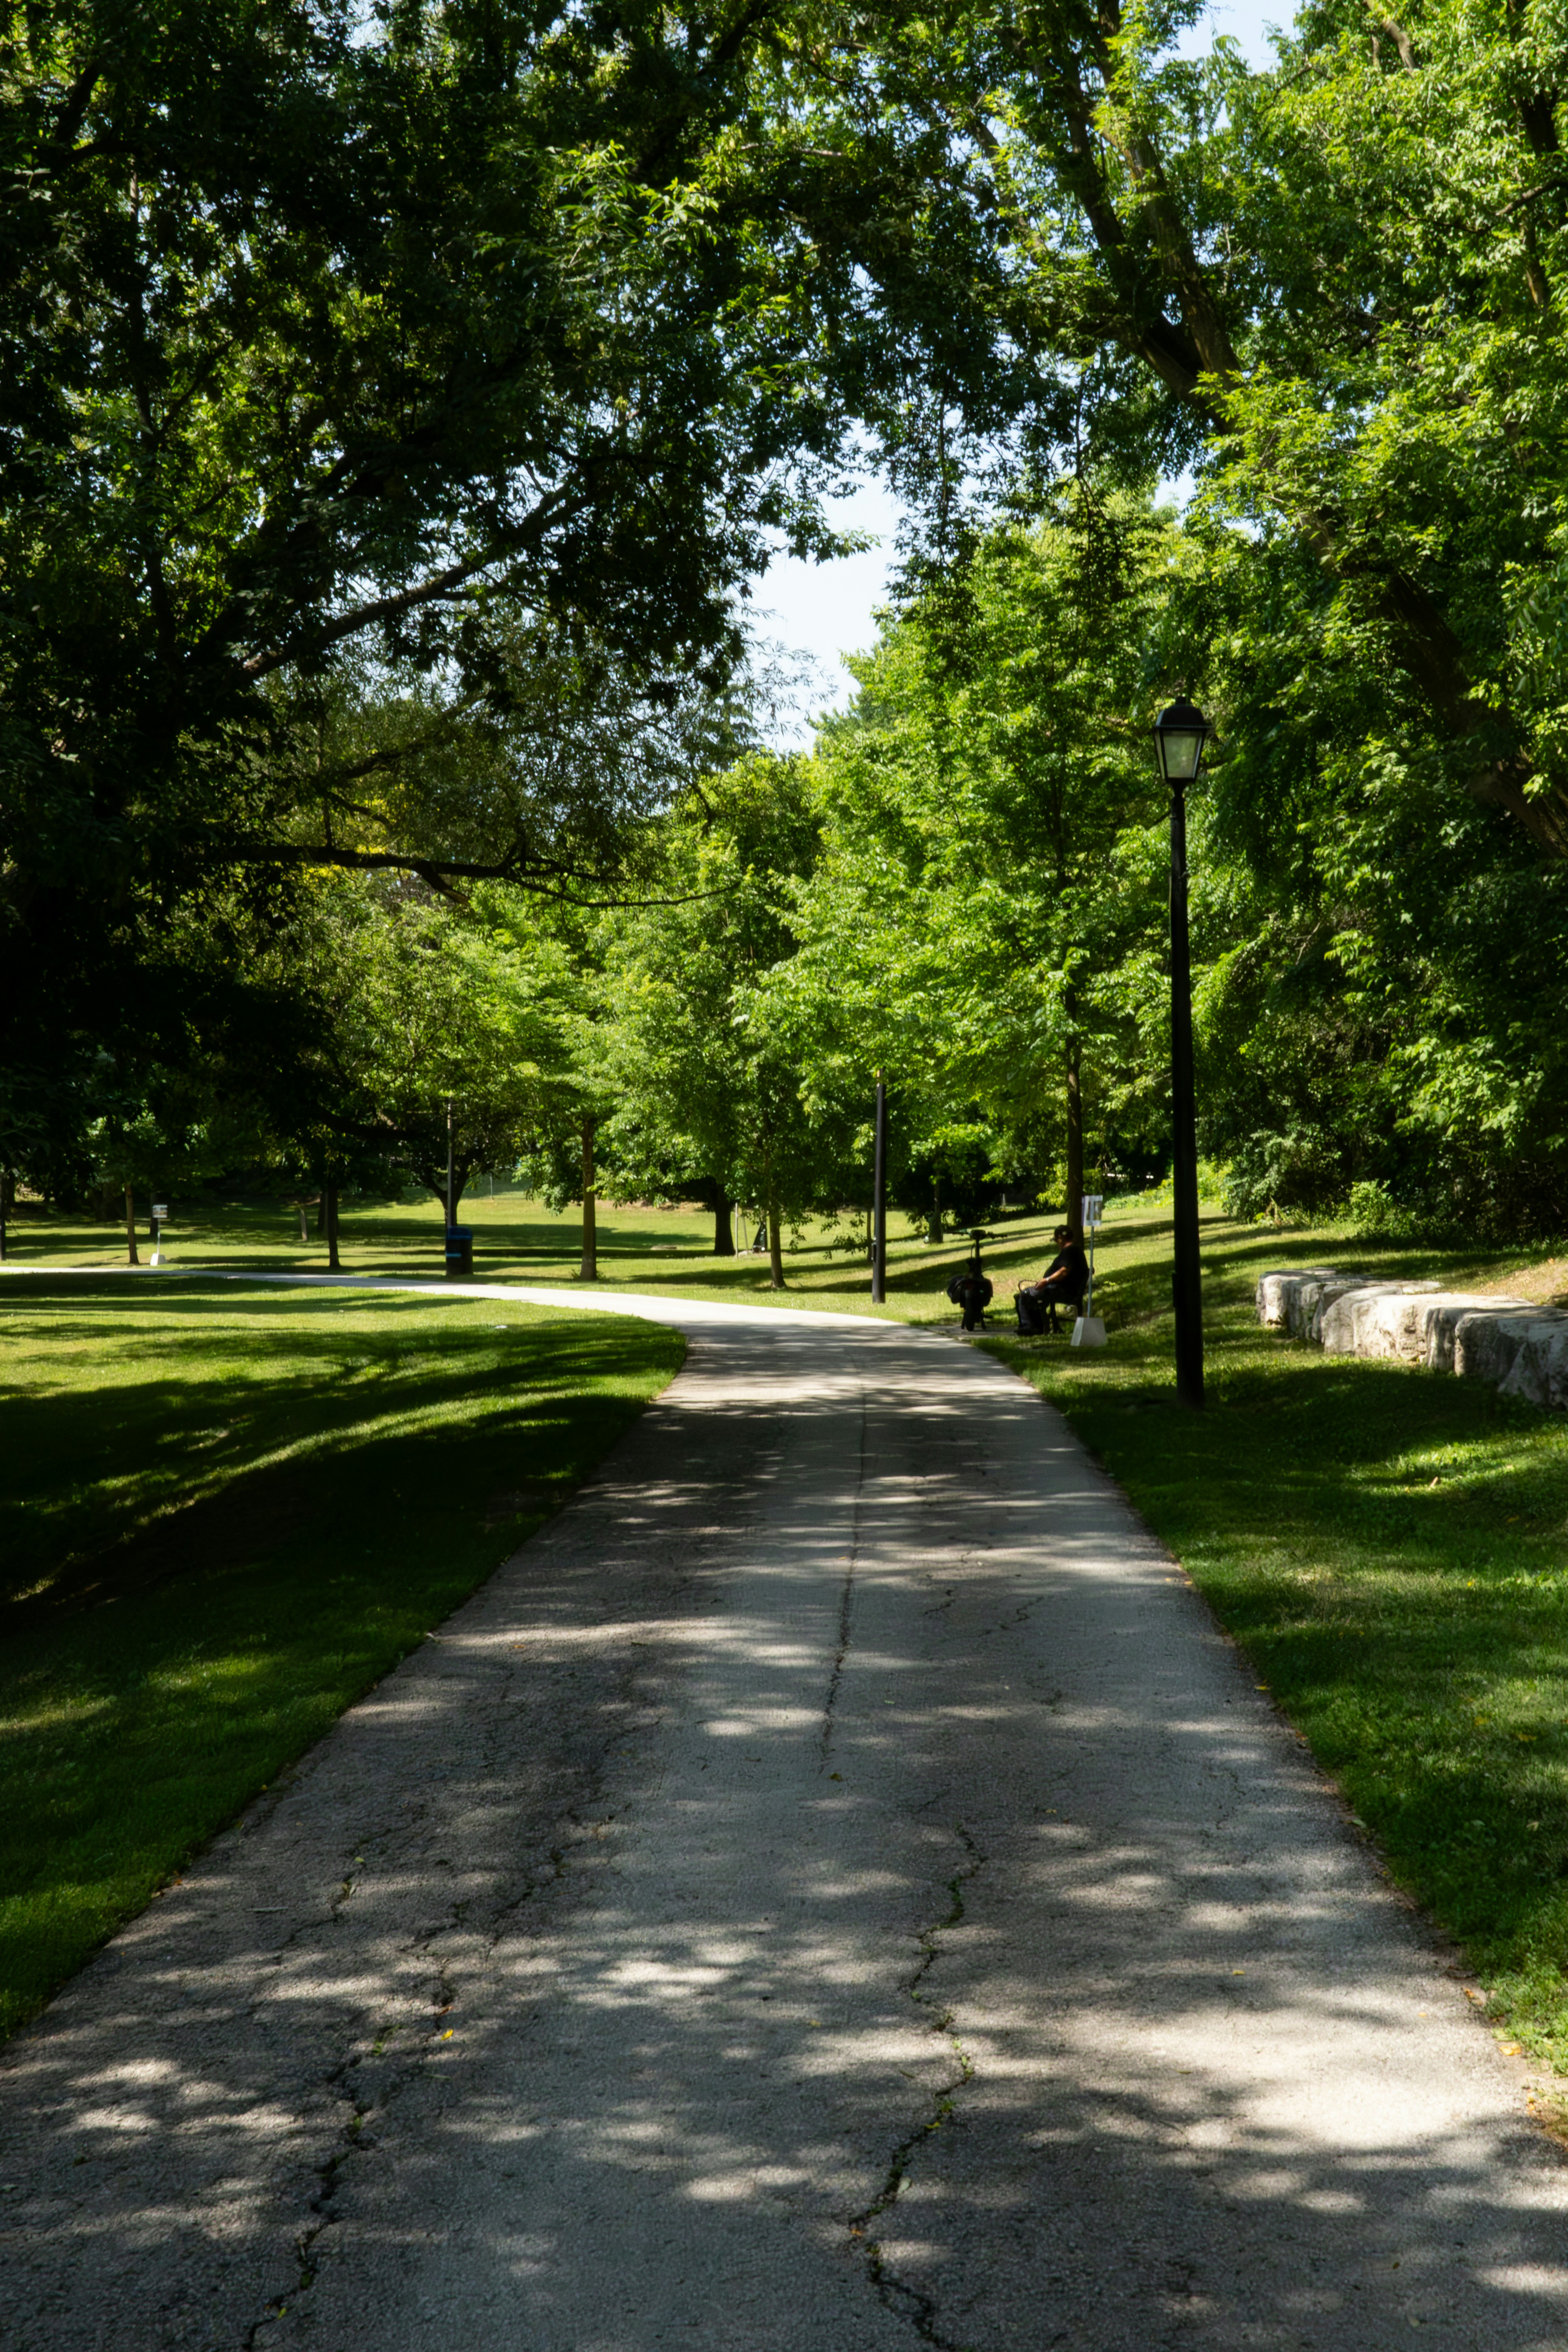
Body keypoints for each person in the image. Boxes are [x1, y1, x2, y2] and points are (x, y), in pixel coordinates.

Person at [1018, 1227, 1090, 1333]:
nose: (1057, 1243)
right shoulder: (1075, 1250)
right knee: (1031, 1295)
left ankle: (1031, 1327)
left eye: (1056, 1240)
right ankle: (1036, 1326)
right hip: (1063, 1289)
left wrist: (1046, 1280)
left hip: (1062, 1290)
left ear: (1061, 1238)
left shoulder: (1069, 1251)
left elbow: (1064, 1272)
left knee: (1025, 1294)